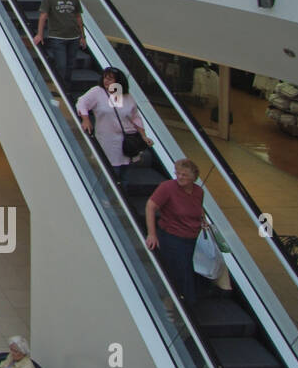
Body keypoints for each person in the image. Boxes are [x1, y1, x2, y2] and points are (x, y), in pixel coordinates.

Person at [146, 159, 206, 306]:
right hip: (172, 237)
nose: (180, 177)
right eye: (177, 173)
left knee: (191, 271)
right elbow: (150, 206)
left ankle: (185, 304)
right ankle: (182, 306)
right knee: (181, 273)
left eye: (184, 175)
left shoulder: (199, 191)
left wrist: (203, 220)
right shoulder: (167, 187)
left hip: (192, 238)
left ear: (193, 177)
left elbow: (198, 208)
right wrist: (152, 234)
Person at [76, 67, 153, 179]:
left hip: (128, 142)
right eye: (105, 78)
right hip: (108, 142)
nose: (106, 81)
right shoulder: (97, 91)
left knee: (125, 177)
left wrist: (143, 135)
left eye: (110, 79)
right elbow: (81, 103)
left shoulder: (127, 96)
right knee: (111, 174)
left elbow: (135, 117)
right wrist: (86, 119)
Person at [34, 0, 86, 94]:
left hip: (73, 37)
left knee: (70, 65)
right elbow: (43, 16)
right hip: (57, 37)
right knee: (61, 64)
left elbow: (78, 17)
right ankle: (60, 87)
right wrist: (40, 34)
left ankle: (66, 88)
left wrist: (82, 36)